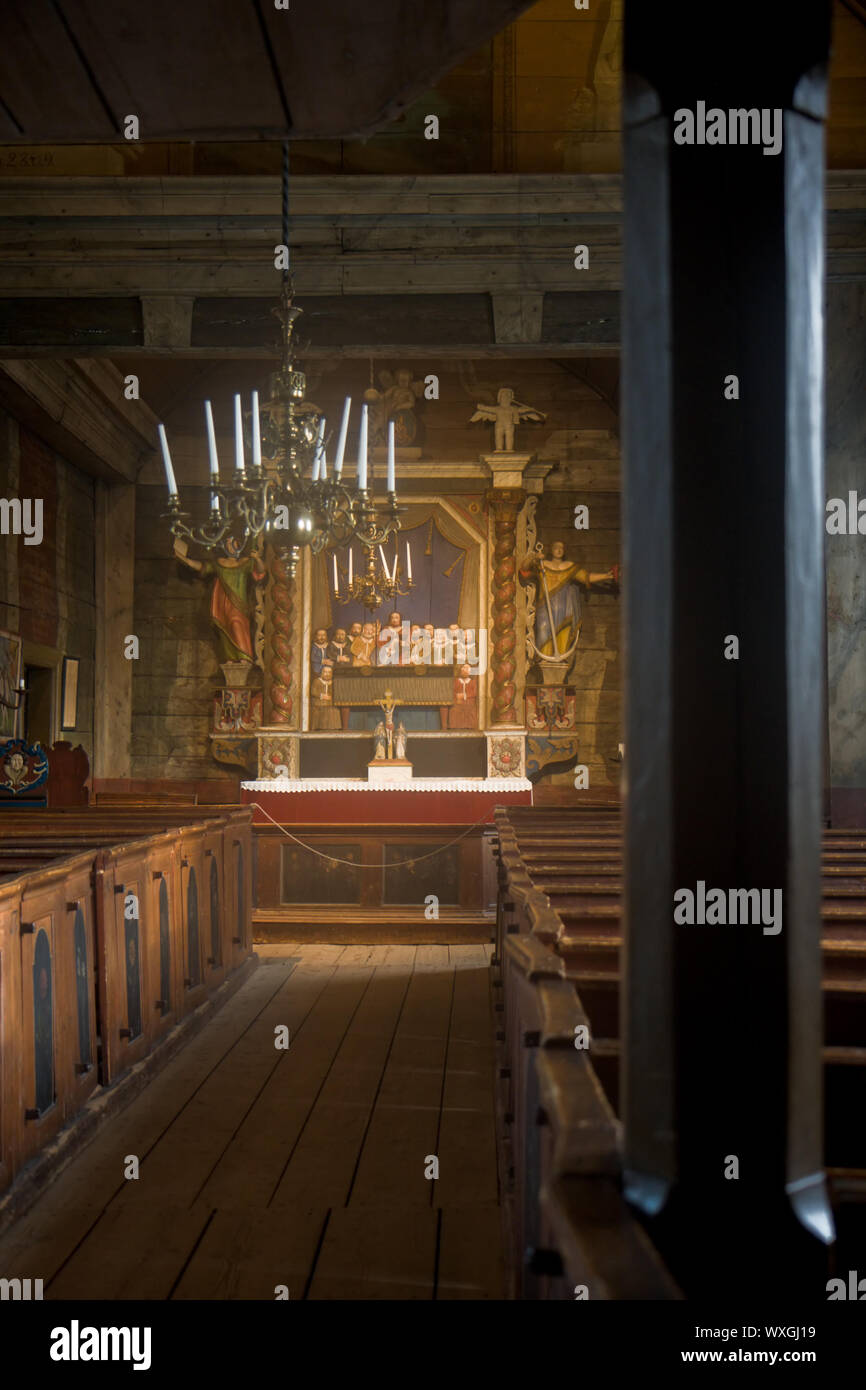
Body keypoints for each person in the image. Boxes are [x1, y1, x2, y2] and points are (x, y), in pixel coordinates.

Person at [174, 533, 266, 664]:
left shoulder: (245, 563)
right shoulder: (219, 564)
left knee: (237, 625)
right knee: (224, 629)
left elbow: (261, 572)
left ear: (238, 545)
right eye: (227, 543)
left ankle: (244, 657)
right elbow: (202, 567)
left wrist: (257, 558)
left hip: (238, 605)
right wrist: (185, 559)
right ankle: (230, 658)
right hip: (222, 605)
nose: (230, 546)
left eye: (232, 543)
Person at [518, 540, 616, 659]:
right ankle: (544, 665)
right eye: (556, 547)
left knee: (562, 640)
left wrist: (607, 575)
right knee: (543, 634)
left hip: (564, 611)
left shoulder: (569, 567)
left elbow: (587, 577)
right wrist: (534, 557)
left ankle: (559, 665)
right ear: (551, 550)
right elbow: (524, 570)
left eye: (562, 548)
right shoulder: (542, 565)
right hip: (545, 610)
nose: (559, 550)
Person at [310, 660, 342, 730]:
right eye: (325, 672)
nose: (327, 674)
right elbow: (313, 692)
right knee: (319, 709)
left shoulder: (333, 682)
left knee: (334, 710)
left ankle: (333, 729)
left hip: (330, 702)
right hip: (319, 702)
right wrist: (322, 696)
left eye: (329, 672)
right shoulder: (317, 681)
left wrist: (331, 696)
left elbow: (336, 692)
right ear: (322, 672)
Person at [448, 663, 478, 729]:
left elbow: (475, 692)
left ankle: (469, 727)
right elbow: (452, 691)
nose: (464, 671)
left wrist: (465, 695)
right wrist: (457, 696)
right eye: (463, 669)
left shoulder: (473, 682)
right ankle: (455, 727)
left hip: (469, 702)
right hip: (457, 701)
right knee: (455, 709)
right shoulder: (456, 681)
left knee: (470, 708)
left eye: (467, 669)